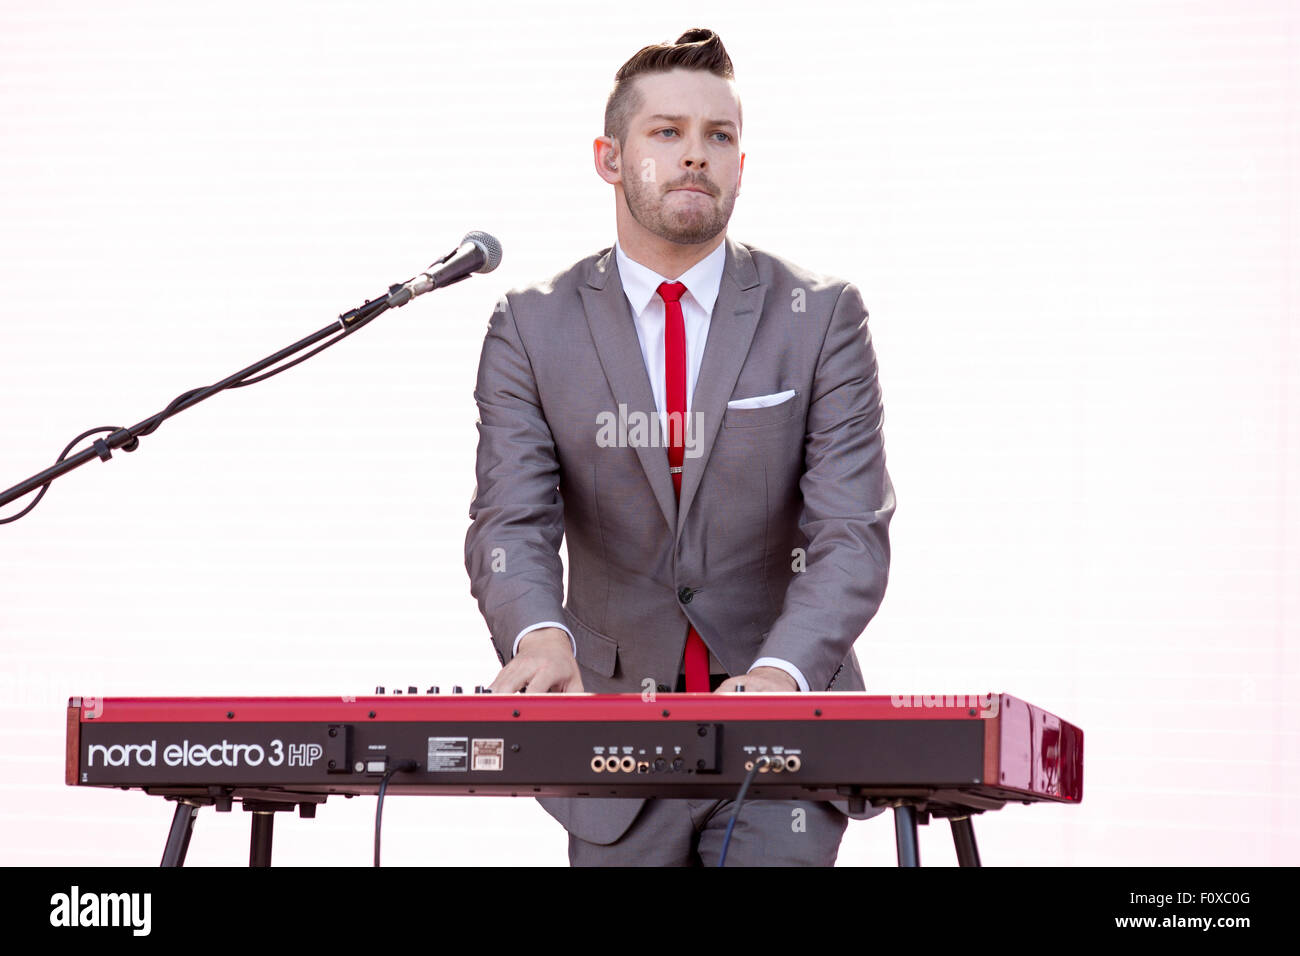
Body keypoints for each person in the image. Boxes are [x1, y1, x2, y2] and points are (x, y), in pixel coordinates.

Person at [464, 27, 895, 866]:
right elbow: (509, 521)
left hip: (784, 754)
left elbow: (851, 535)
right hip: (612, 759)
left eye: (718, 137)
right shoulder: (529, 327)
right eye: (666, 133)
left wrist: (780, 677)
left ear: (741, 161)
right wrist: (538, 638)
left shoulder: (824, 317)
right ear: (610, 157)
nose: (695, 155)